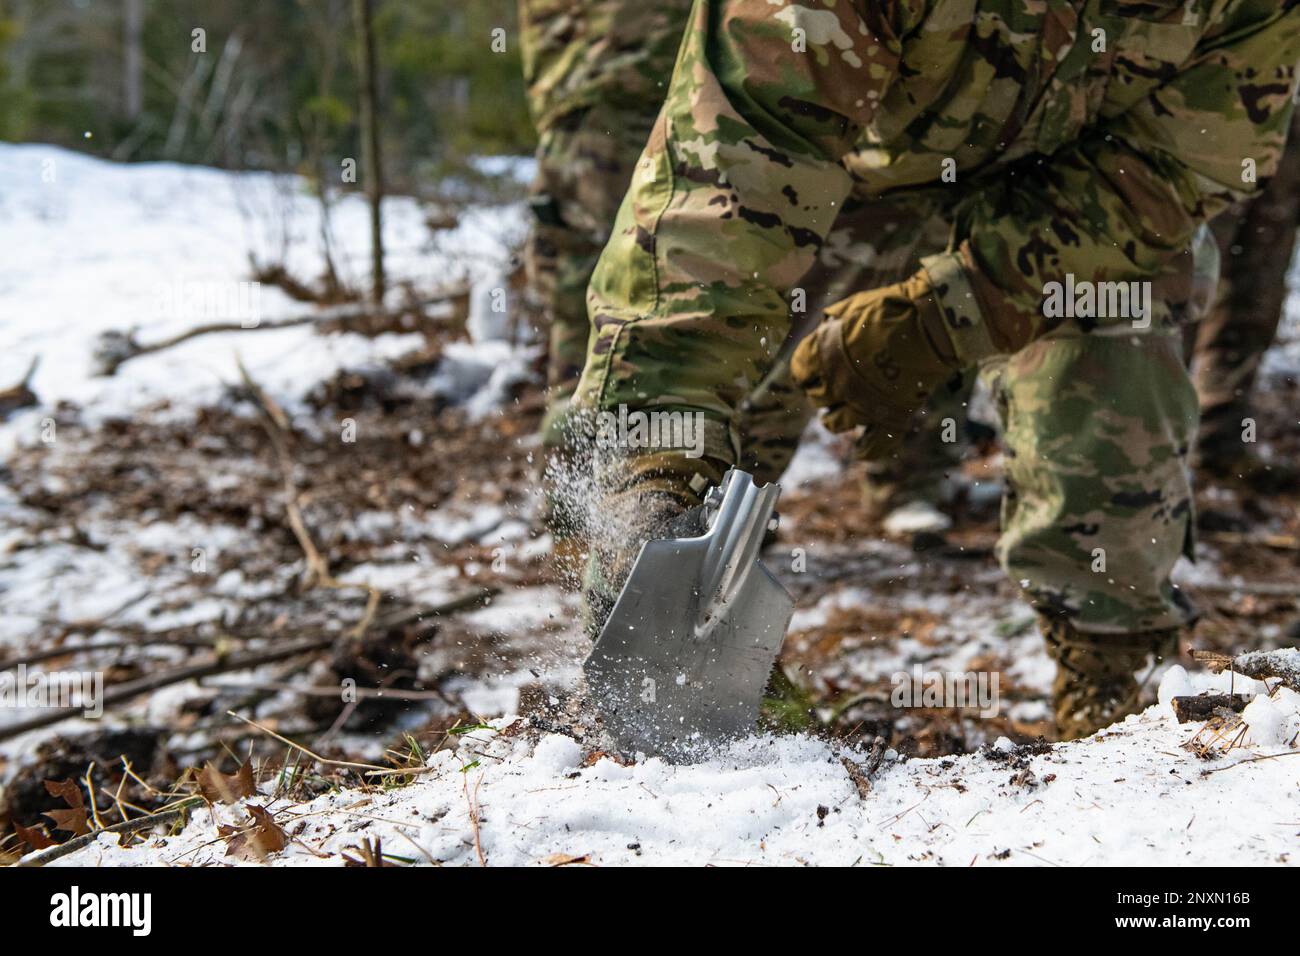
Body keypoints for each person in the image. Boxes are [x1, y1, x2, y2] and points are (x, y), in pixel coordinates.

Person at [569, 0, 1300, 739]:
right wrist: (659, 455)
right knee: (721, 420)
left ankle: (1117, 690)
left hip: (1081, 193)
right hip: (844, 170)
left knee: (1120, 323)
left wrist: (949, 313)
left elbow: (1178, 161)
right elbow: (731, 170)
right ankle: (677, 643)